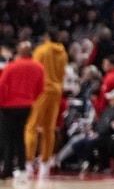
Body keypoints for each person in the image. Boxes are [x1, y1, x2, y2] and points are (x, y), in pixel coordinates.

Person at [24, 31, 68, 178]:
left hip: (41, 90)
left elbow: (33, 72)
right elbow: (62, 74)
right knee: (49, 129)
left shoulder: (40, 50)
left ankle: (28, 163)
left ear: (46, 36)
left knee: (31, 126)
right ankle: (45, 165)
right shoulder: (63, 52)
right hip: (56, 92)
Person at [0, 39, 42, 178]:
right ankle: (22, 167)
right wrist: (30, 99)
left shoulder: (11, 66)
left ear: (19, 51)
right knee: (20, 136)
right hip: (26, 106)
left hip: (8, 106)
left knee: (8, 138)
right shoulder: (38, 67)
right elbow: (40, 88)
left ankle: (7, 168)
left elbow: (2, 86)